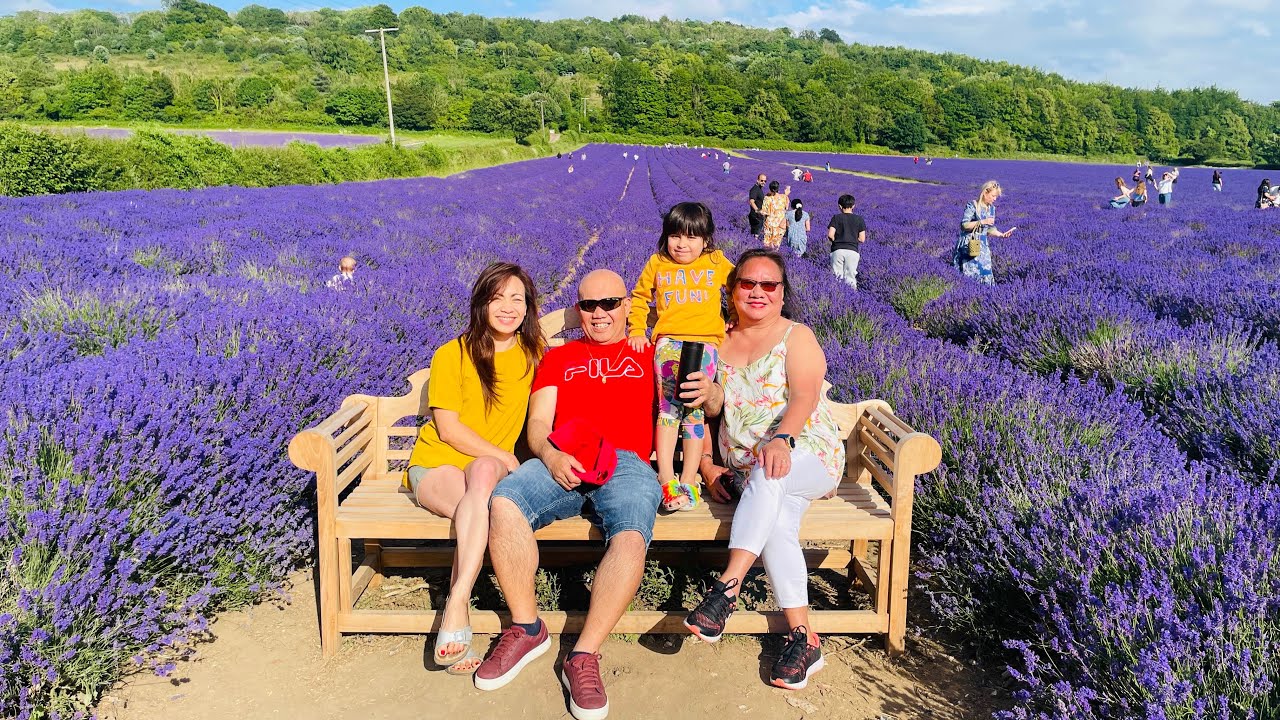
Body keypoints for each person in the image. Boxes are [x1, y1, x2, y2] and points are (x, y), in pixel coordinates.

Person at [477, 269, 662, 720]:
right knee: (504, 502)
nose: (599, 313)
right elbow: (537, 423)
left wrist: (711, 393)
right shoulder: (559, 357)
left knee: (632, 535)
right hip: (563, 457)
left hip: (627, 463)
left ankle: (584, 654)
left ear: (626, 307)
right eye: (589, 305)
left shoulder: (650, 354)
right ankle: (527, 627)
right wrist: (549, 453)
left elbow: (696, 404)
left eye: (610, 303)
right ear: (578, 310)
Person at [684, 248, 846, 691]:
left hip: (805, 449)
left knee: (769, 473)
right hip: (749, 468)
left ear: (781, 292)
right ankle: (804, 638)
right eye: (747, 283)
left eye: (768, 285)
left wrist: (781, 438)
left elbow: (805, 398)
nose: (757, 292)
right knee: (778, 523)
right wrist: (705, 464)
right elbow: (710, 408)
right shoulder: (718, 340)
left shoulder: (796, 336)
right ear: (733, 290)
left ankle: (727, 588)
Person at [407, 262, 545, 674]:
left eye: (517, 299)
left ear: (528, 307)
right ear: (481, 303)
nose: (507, 307)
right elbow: (447, 429)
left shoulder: (534, 356)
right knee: (481, 501)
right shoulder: (452, 353)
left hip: (485, 470)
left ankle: (456, 603)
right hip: (437, 463)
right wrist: (505, 456)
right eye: (497, 297)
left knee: (483, 478)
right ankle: (460, 603)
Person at [627, 203, 733, 509]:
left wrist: (735, 315)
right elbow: (638, 297)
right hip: (670, 343)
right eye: (675, 236)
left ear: (706, 240)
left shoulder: (715, 260)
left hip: (705, 346)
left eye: (690, 237)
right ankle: (665, 476)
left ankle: (688, 479)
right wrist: (636, 330)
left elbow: (738, 284)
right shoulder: (658, 262)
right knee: (668, 409)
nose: (681, 244)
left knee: (694, 408)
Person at [954, 180, 1015, 285]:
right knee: (969, 277)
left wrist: (1001, 234)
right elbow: (964, 225)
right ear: (985, 192)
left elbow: (989, 229)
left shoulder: (992, 209)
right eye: (993, 196)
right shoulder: (973, 205)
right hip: (969, 245)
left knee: (986, 274)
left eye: (996, 196)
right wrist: (982, 222)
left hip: (983, 248)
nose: (995, 199)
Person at [827, 194, 866, 288]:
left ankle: (837, 297)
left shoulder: (836, 218)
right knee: (851, 277)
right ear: (853, 206)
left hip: (837, 250)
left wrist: (836, 240)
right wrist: (852, 239)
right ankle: (852, 299)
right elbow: (862, 239)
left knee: (836, 276)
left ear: (839, 206)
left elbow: (830, 235)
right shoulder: (859, 219)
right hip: (852, 251)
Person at [761, 180, 791, 250]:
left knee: (767, 243)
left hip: (769, 224)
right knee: (777, 243)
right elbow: (786, 208)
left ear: (770, 188)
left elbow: (764, 211)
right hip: (780, 224)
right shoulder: (784, 197)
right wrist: (787, 191)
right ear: (778, 188)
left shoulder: (767, 198)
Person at [748, 174, 767, 240]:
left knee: (755, 235)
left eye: (765, 181)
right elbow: (751, 201)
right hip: (756, 216)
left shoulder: (759, 189)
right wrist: (758, 210)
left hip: (758, 216)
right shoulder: (755, 189)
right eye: (762, 180)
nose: (763, 182)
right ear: (757, 180)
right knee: (756, 235)